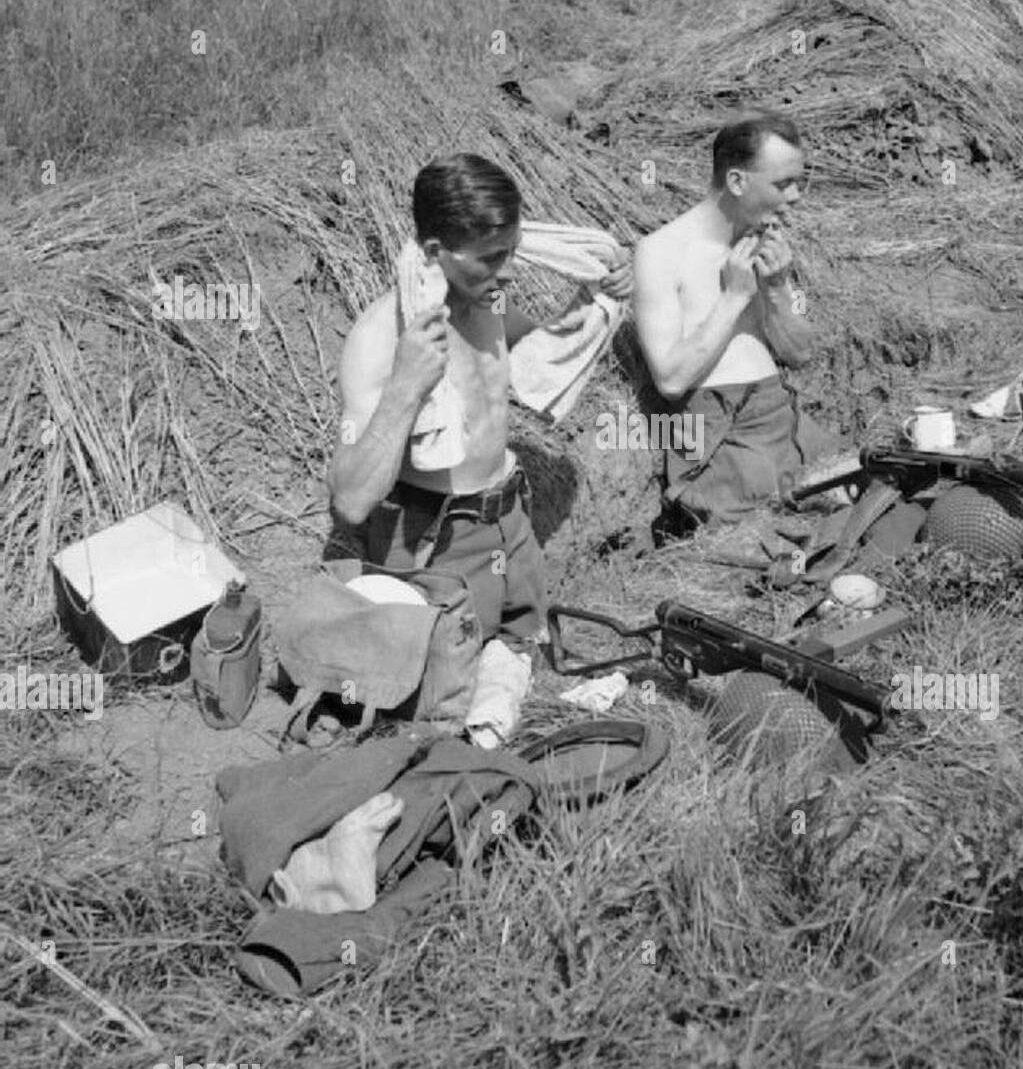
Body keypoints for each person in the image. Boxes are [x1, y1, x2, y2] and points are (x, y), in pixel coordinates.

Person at [327, 153, 632, 745]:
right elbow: (351, 500)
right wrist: (406, 387)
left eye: (512, 251)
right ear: (436, 251)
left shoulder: (486, 303)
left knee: (519, 646)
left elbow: (538, 359)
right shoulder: (379, 339)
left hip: (509, 525)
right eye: (492, 258)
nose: (508, 271)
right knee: (437, 715)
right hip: (435, 548)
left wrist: (602, 299)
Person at [633, 111, 838, 534]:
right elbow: (670, 380)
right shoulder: (661, 252)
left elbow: (801, 354)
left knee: (875, 504)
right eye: (783, 184)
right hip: (727, 436)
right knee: (782, 538)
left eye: (801, 181)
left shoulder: (763, 241)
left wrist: (778, 287)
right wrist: (734, 297)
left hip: (785, 418)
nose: (797, 196)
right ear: (738, 182)